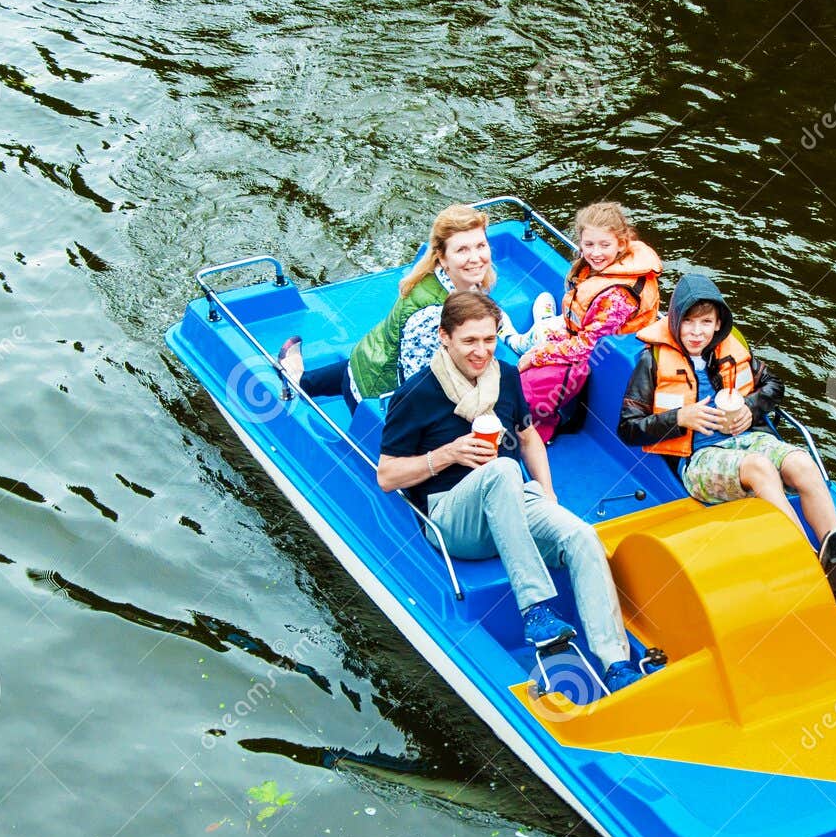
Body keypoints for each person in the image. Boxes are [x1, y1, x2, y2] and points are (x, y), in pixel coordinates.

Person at [376, 291, 645, 692]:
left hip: (509, 502)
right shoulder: (416, 394)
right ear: (444, 337)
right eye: (469, 341)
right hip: (451, 519)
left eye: (488, 339)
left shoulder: (505, 376)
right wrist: (447, 454)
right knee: (503, 468)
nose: (481, 351)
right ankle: (536, 610)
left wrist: (548, 495)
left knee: (581, 536)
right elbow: (387, 476)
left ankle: (616, 664)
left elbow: (529, 436)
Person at [617, 272, 836, 599]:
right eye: (688, 322)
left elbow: (774, 385)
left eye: (705, 322)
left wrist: (750, 408)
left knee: (801, 462)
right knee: (760, 468)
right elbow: (628, 428)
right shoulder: (652, 361)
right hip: (696, 460)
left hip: (745, 439)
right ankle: (808, 563)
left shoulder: (731, 348)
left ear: (717, 324)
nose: (696, 332)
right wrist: (679, 417)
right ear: (674, 322)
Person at [281, 204, 518, 405]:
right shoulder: (432, 314)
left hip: (373, 356)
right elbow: (418, 386)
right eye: (462, 250)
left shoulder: (465, 280)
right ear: (443, 258)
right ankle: (296, 379)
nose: (476, 257)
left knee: (351, 370)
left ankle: (299, 378)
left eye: (480, 246)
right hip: (379, 389)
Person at [517, 202, 662, 443]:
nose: (596, 252)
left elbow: (587, 347)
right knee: (547, 333)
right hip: (580, 332)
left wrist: (539, 356)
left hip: (598, 354)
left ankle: (519, 342)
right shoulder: (599, 269)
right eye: (589, 244)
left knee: (536, 370)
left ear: (621, 244)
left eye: (605, 245)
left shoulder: (618, 297)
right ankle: (531, 334)